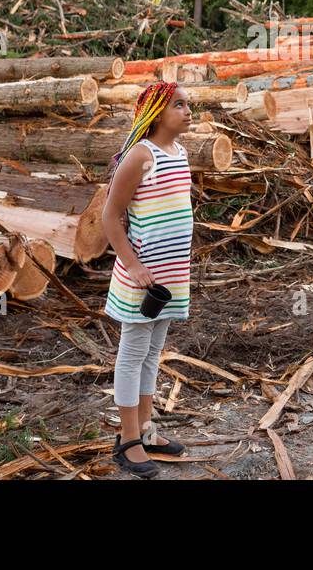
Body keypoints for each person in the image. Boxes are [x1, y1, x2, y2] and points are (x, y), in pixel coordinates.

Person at [101, 80, 194, 477]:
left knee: (153, 352)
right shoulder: (141, 156)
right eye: (179, 104)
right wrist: (135, 265)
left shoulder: (181, 152)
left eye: (189, 104)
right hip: (140, 276)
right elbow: (110, 215)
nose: (188, 110)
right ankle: (127, 440)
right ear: (157, 113)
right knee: (133, 353)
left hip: (170, 276)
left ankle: (146, 428)